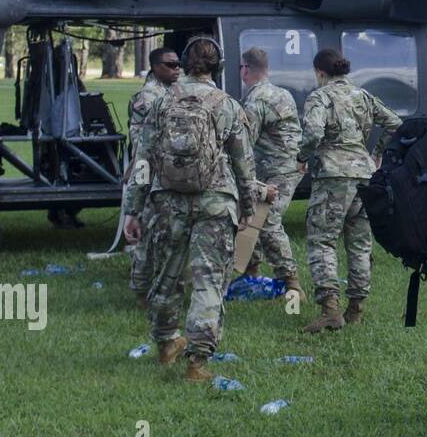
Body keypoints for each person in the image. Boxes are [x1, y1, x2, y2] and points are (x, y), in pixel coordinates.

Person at [123, 37, 274, 381]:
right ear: (218, 67)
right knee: (209, 281)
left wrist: (133, 210)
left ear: (186, 64)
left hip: (167, 201)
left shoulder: (161, 102)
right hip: (215, 202)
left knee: (167, 277)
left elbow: (142, 160)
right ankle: (197, 362)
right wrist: (248, 207)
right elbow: (244, 164)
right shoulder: (228, 105)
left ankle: (165, 344)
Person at [296, 47, 402, 332]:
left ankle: (330, 309)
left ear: (320, 72)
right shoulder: (363, 96)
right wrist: (377, 153)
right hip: (365, 175)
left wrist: (302, 156)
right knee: (359, 243)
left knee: (322, 240)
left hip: (333, 175)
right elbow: (395, 123)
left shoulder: (320, 97)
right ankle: (355, 308)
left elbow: (314, 132)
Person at [240, 47, 305, 299]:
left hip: (278, 170)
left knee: (267, 221)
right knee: (249, 212)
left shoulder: (256, 101)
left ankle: (292, 284)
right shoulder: (281, 93)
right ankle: (251, 272)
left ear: (245, 69)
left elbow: (244, 144)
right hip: (283, 167)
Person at [125, 46, 180, 308]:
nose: (176, 69)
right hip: (149, 173)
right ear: (155, 67)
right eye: (170, 65)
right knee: (146, 234)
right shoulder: (149, 98)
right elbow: (148, 146)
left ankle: (154, 285)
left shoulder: (165, 92)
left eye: (178, 64)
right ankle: (141, 290)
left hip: (158, 172)